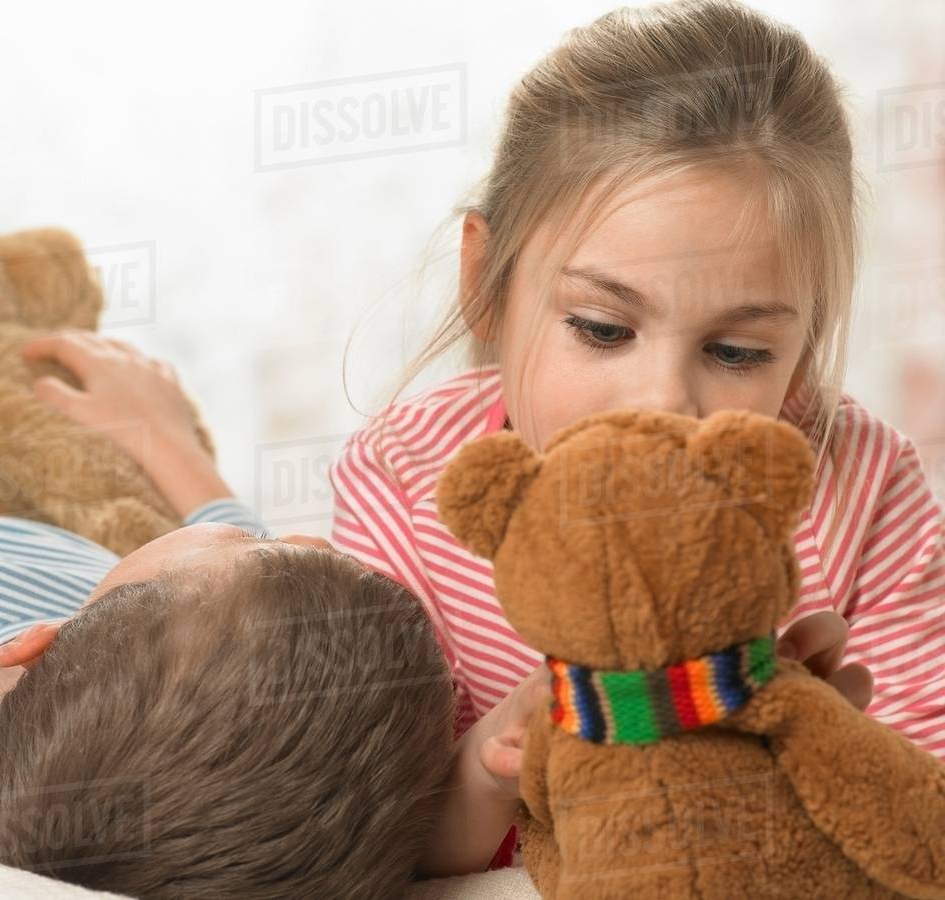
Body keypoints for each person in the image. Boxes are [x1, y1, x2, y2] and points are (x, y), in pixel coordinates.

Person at [320, 0, 945, 871]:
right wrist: (492, 761)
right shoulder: (404, 477)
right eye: (602, 329)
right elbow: (367, 846)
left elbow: (920, 817)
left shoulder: (863, 485)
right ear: (487, 284)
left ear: (802, 353)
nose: (662, 402)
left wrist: (808, 745)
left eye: (737, 352)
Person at [0, 372, 464, 896]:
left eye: (257, 543)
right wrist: (165, 434)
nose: (308, 534)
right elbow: (262, 606)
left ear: (36, 644)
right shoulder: (140, 729)